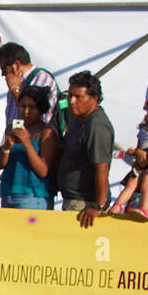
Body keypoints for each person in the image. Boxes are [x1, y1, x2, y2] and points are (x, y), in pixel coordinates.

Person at [58, 71, 115, 228]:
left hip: (84, 204)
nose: (72, 101)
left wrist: (98, 206)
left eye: (78, 97)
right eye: (70, 95)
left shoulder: (96, 125)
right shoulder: (80, 119)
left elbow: (102, 169)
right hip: (74, 200)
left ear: (94, 98)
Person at [0, 85, 60, 210]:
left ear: (41, 109)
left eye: (32, 107)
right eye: (23, 106)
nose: (26, 111)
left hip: (33, 197)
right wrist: (7, 147)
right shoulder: (11, 128)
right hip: (9, 193)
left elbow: (43, 170)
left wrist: (27, 143)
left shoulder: (46, 132)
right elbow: (0, 164)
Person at [0, 42, 59, 136]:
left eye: (4, 69)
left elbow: (36, 114)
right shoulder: (14, 83)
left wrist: (15, 90)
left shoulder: (42, 78)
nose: (2, 74)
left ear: (16, 65)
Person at [108, 94, 148, 220]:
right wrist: (135, 153)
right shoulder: (143, 131)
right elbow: (139, 147)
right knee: (131, 183)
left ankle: (144, 209)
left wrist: (145, 156)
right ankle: (118, 205)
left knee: (146, 185)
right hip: (140, 164)